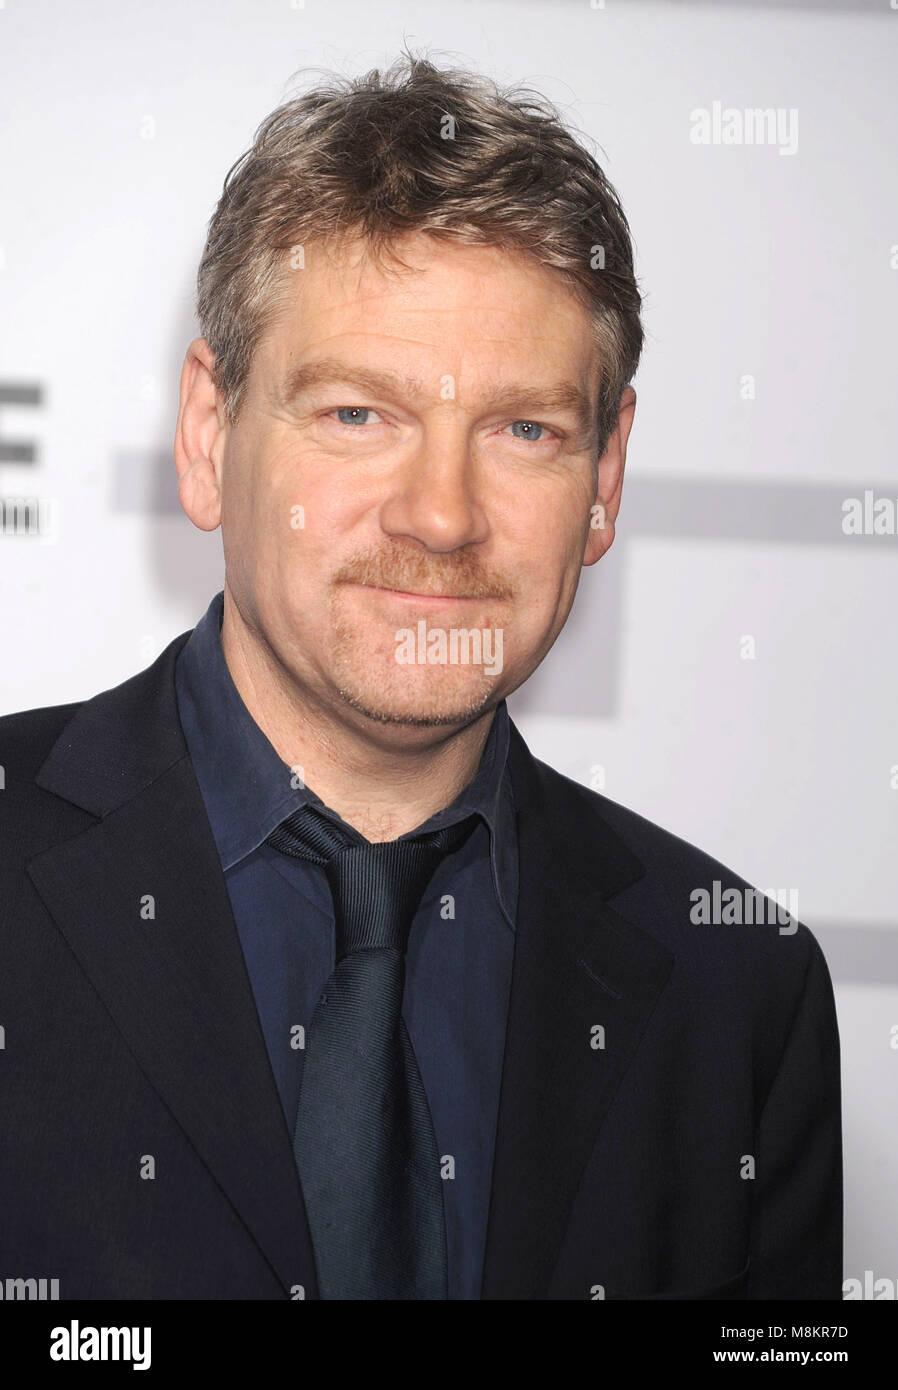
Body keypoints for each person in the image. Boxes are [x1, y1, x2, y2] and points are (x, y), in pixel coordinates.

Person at [0, 52, 841, 1300]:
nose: (442, 517)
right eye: (357, 414)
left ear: (603, 484)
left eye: (523, 431)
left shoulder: (738, 992)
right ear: (207, 434)